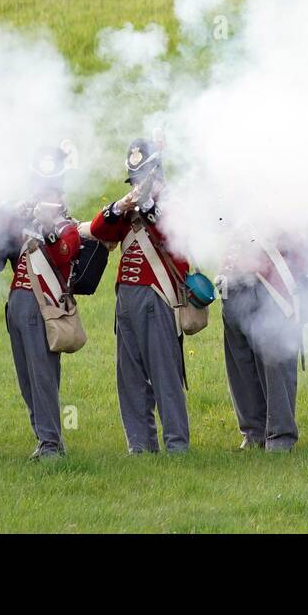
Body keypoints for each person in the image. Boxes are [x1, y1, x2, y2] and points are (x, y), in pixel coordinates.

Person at [88, 138, 192, 454]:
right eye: (134, 178)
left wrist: (149, 208)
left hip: (158, 295)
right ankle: (140, 444)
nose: (138, 183)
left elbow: (177, 240)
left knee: (164, 374)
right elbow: (99, 231)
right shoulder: (131, 203)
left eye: (142, 176)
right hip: (127, 298)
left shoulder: (174, 202)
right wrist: (120, 207)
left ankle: (176, 443)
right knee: (130, 377)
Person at [2, 146, 81, 460]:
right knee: (26, 378)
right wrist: (13, 216)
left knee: (43, 377)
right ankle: (43, 436)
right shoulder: (26, 225)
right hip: (17, 306)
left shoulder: (68, 228)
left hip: (41, 307)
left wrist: (47, 225)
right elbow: (2, 252)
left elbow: (63, 253)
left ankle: (52, 442)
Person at [219, 228, 308, 452]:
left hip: (274, 284)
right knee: (240, 365)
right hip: (234, 281)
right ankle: (253, 433)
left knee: (276, 365)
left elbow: (303, 234)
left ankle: (280, 437)